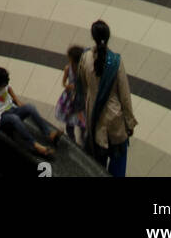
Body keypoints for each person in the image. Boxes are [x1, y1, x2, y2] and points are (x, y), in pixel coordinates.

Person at [78, 19, 137, 177]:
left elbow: (82, 87)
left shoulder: (85, 58)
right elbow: (124, 96)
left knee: (97, 168)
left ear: (93, 37)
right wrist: (129, 122)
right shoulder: (116, 61)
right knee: (118, 167)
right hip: (115, 124)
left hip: (95, 122)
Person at [0, 64, 60, 159]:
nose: (6, 84)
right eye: (4, 83)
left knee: (30, 107)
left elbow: (9, 89)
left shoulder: (4, 83)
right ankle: (35, 145)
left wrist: (17, 101)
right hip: (2, 117)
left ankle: (49, 133)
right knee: (14, 119)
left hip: (12, 108)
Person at [55, 45, 87, 145]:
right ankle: (72, 142)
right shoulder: (68, 68)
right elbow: (64, 83)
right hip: (70, 99)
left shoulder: (83, 70)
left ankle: (83, 141)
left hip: (80, 98)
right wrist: (68, 86)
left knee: (82, 123)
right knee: (69, 123)